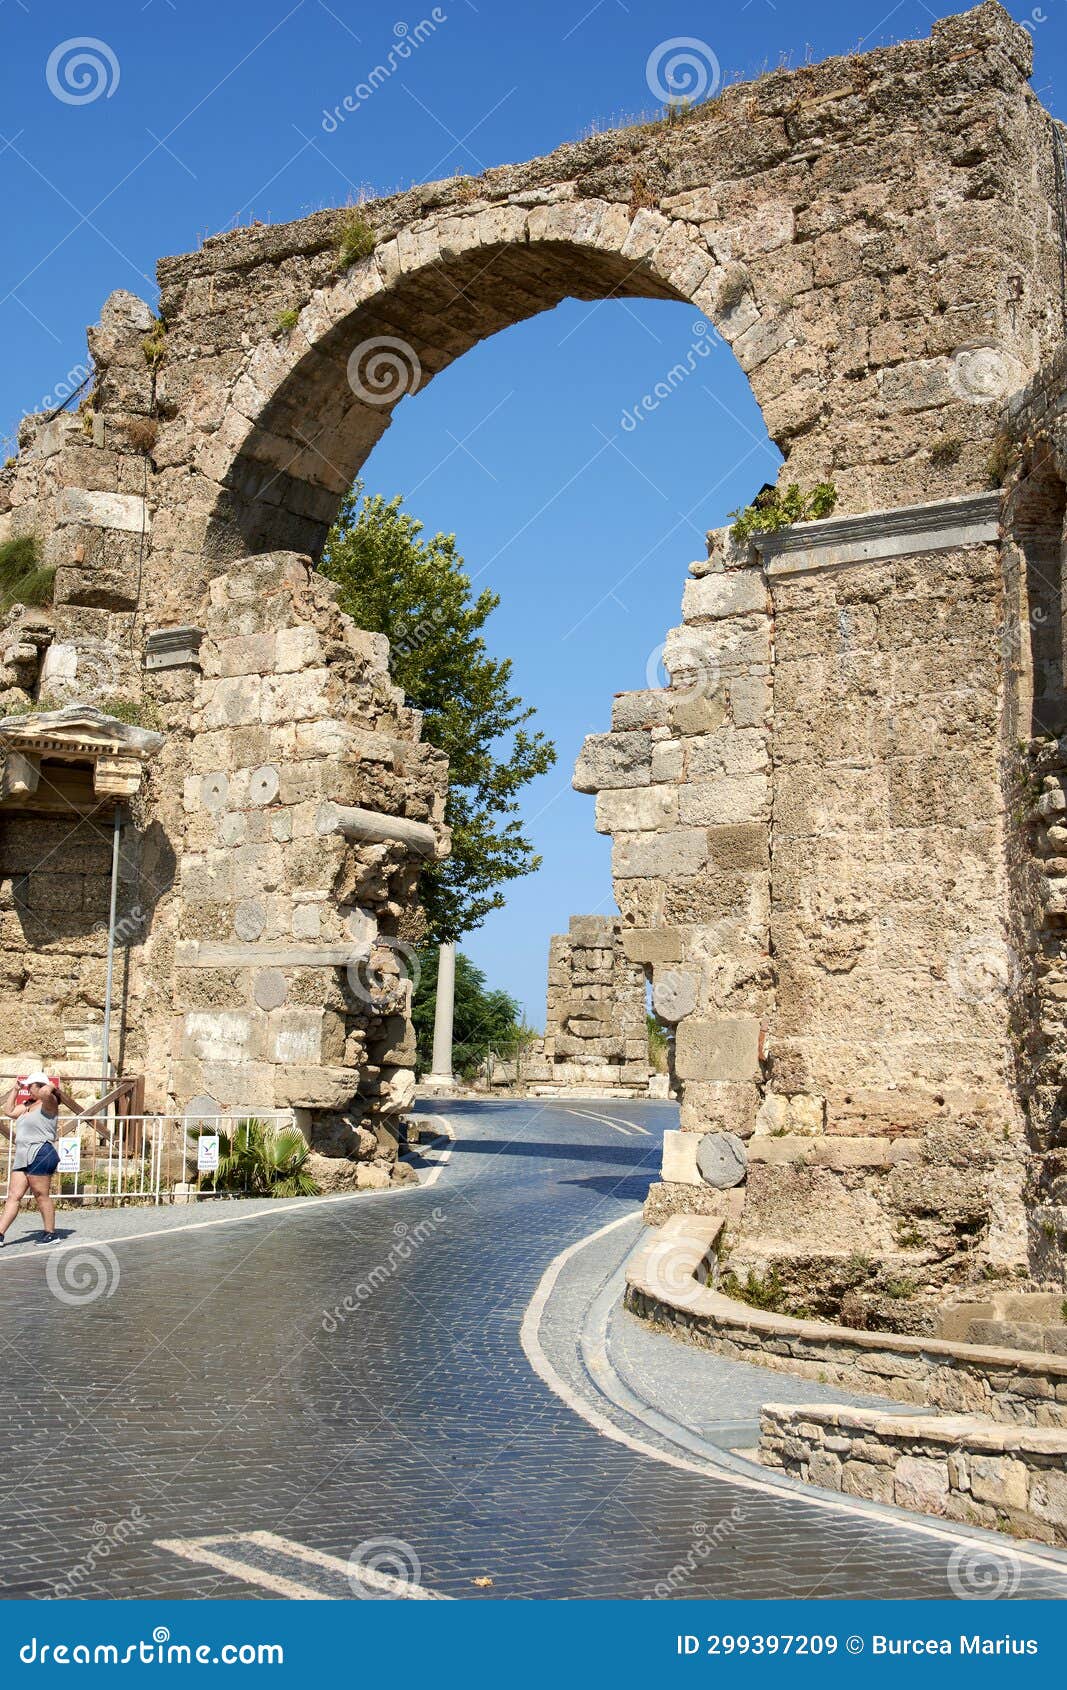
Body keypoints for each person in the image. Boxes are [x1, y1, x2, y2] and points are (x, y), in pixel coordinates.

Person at [0, 1072, 83, 1245]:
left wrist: (51, 1084)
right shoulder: (27, 1105)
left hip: (41, 1152)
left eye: (31, 1086)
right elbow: (8, 1111)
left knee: (40, 1194)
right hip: (23, 1153)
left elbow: (46, 1093)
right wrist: (15, 1090)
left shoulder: (49, 1103)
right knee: (13, 1195)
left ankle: (50, 1233)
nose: (28, 1089)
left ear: (40, 1086)